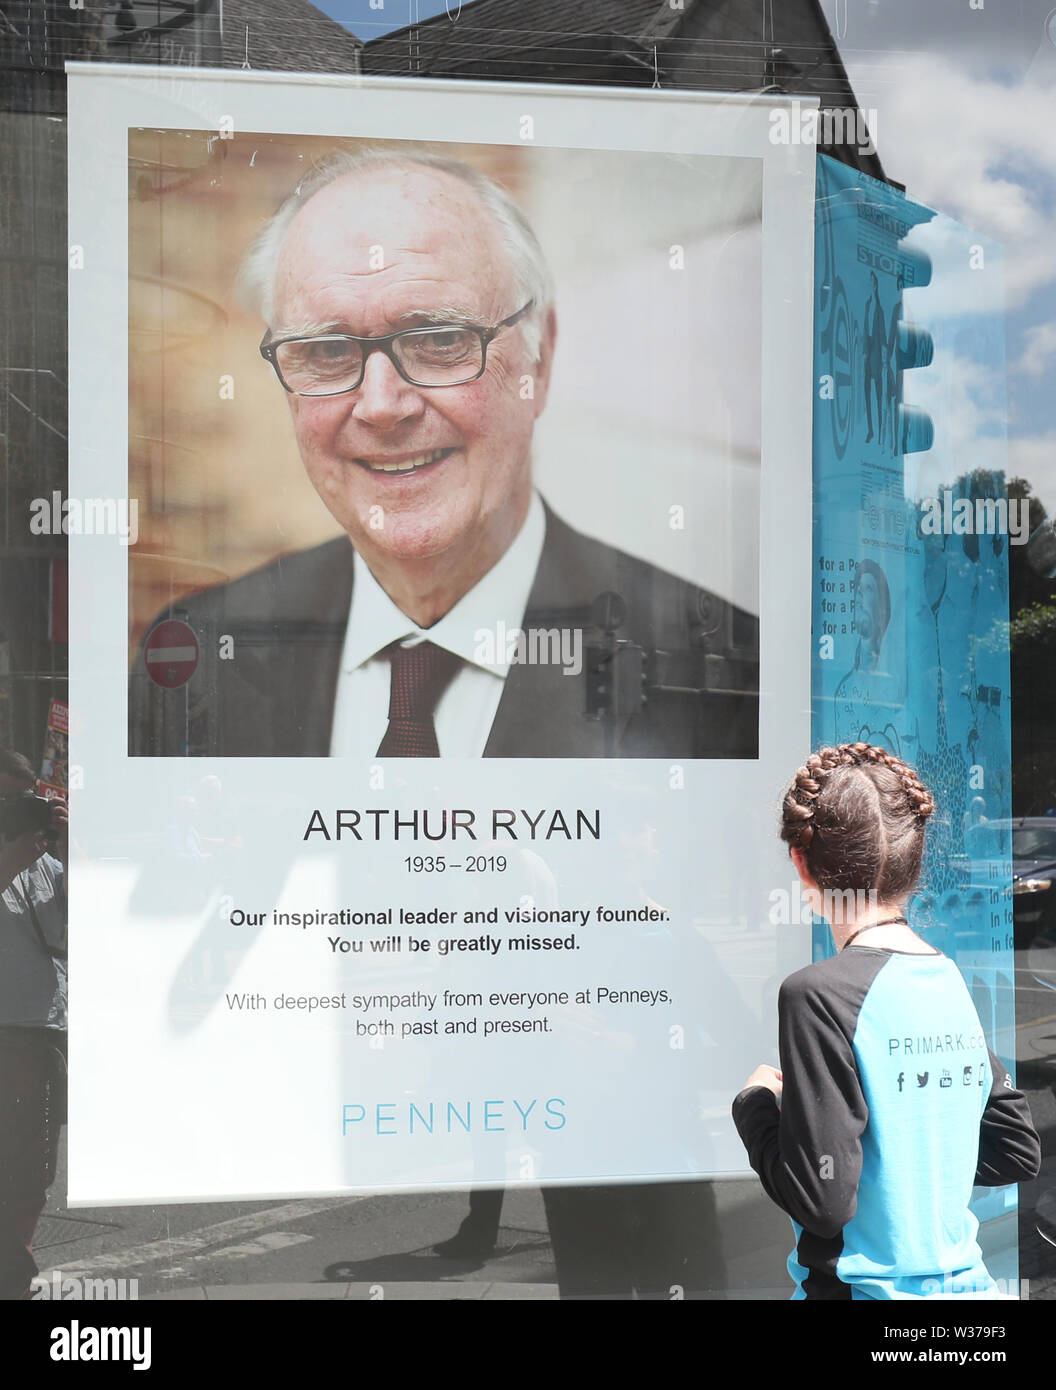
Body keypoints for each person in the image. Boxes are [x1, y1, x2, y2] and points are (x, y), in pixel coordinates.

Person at [129, 148, 758, 760]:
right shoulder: (196, 658)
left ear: (540, 361)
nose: (381, 405)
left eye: (438, 338)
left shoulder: (721, 681)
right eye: (326, 352)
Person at [732, 742, 1041, 1300]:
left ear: (801, 864)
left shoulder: (816, 995)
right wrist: (905, 1149)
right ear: (912, 865)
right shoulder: (945, 978)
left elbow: (821, 1203)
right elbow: (1014, 1146)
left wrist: (755, 1109)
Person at [0, 750, 68, 1300]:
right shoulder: (20, 855)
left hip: (46, 1025)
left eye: (25, 798)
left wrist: (71, 846)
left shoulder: (47, 861)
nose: (14, 807)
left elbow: (79, 926)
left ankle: (15, 1256)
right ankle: (13, 1267)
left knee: (38, 1160)